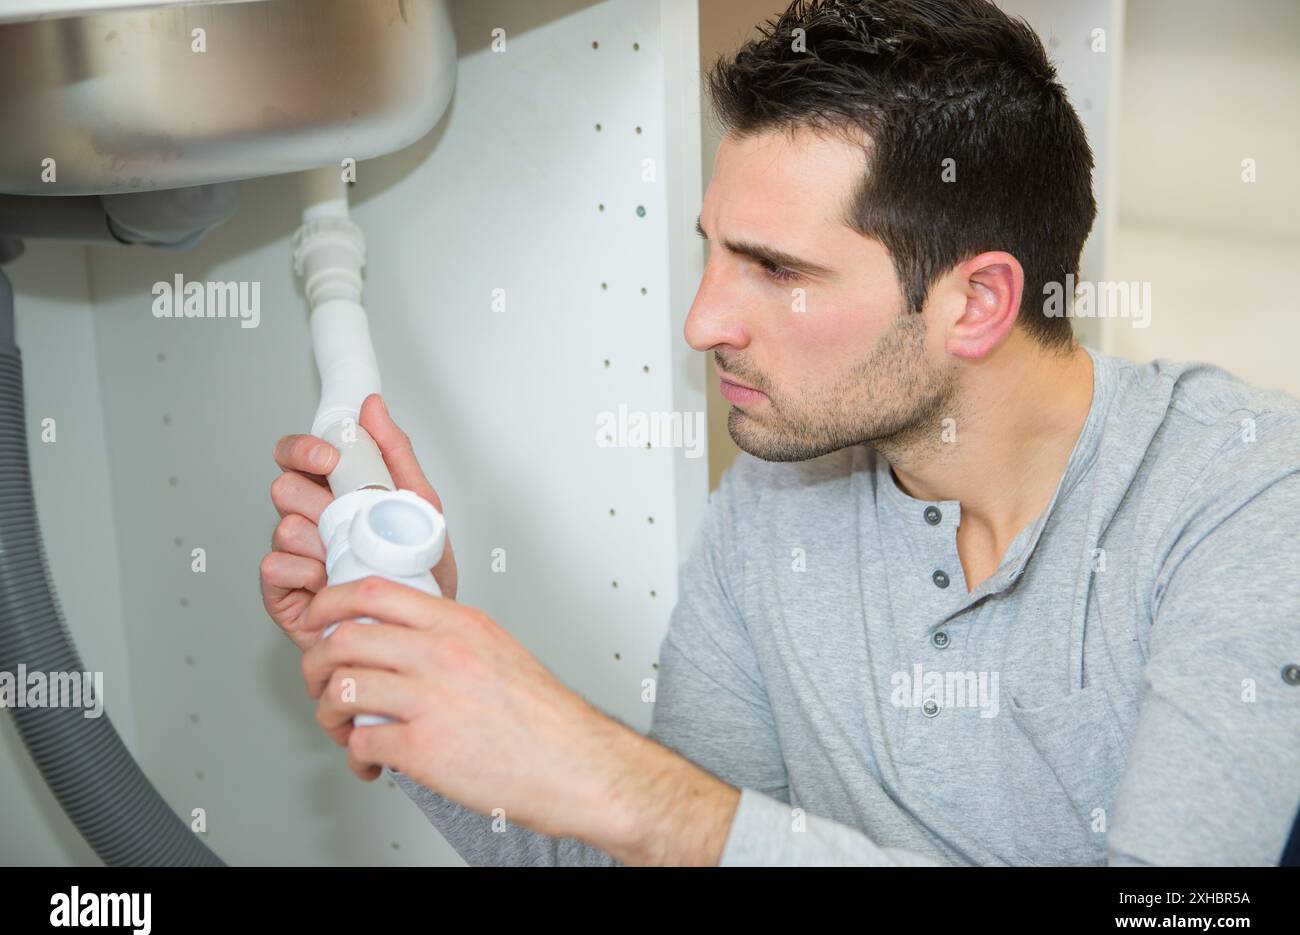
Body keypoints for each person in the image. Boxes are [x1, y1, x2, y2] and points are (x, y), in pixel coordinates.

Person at [259, 0, 1300, 865]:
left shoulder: (1244, 493)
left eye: (779, 270)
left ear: (976, 303)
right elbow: (661, 847)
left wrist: (623, 779)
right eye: (712, 252)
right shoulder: (774, 508)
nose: (702, 322)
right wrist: (404, 665)